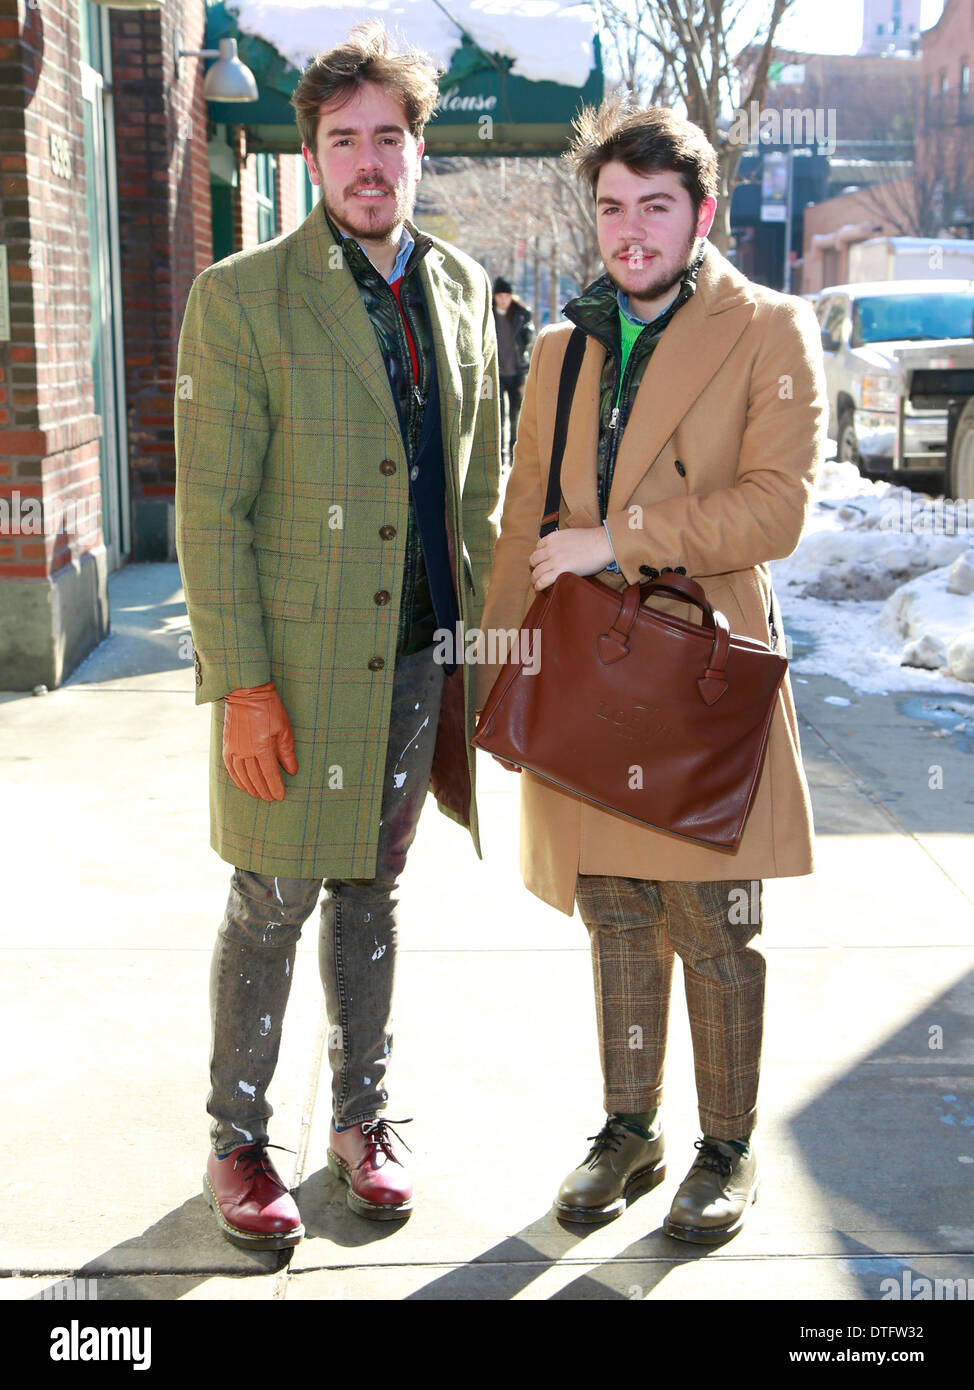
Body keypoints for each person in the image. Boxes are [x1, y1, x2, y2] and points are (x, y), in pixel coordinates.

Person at [174, 21, 500, 1251]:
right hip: (295, 669)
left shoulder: (459, 288)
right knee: (271, 896)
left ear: (419, 150)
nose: (368, 161)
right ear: (311, 155)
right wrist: (242, 684)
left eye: (388, 138)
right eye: (341, 139)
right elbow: (209, 513)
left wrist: (480, 659)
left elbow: (478, 483)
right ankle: (237, 1139)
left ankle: (364, 1119)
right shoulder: (240, 298)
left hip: (417, 660)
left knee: (374, 891)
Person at [476, 97, 825, 1244]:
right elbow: (519, 513)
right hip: (583, 676)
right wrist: (493, 670)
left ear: (700, 211)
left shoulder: (766, 328)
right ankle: (630, 1129)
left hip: (700, 671)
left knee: (716, 921)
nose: (630, 230)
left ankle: (725, 1149)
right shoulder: (558, 345)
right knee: (615, 912)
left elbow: (775, 508)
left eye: (654, 206)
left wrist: (618, 538)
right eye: (611, 207)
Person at [492, 277, 535, 462]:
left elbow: (528, 340)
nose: (503, 299)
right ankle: (500, 455)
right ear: (494, 296)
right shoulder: (488, 314)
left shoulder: (521, 314)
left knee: (517, 415)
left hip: (517, 372)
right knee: (498, 415)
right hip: (496, 373)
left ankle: (514, 454)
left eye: (507, 295)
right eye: (500, 296)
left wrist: (527, 331)